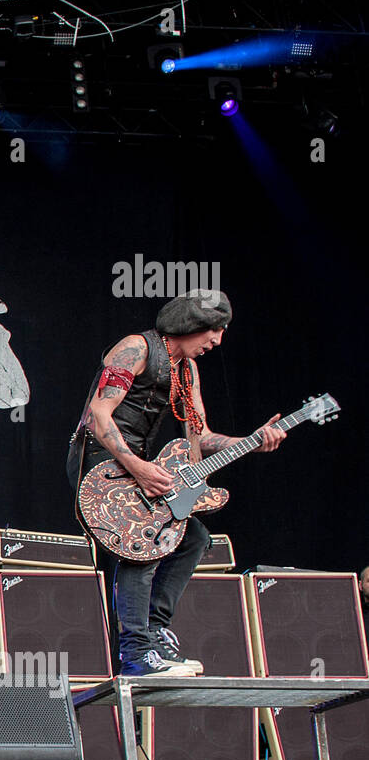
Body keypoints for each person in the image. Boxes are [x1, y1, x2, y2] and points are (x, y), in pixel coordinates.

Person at [66, 289, 285, 677]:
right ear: (191, 324)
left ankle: (154, 632)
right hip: (103, 459)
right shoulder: (136, 348)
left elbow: (200, 438)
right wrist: (138, 467)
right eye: (214, 330)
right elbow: (98, 416)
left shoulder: (186, 371)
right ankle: (136, 653)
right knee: (145, 542)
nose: (217, 341)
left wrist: (252, 441)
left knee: (195, 539)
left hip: (139, 466)